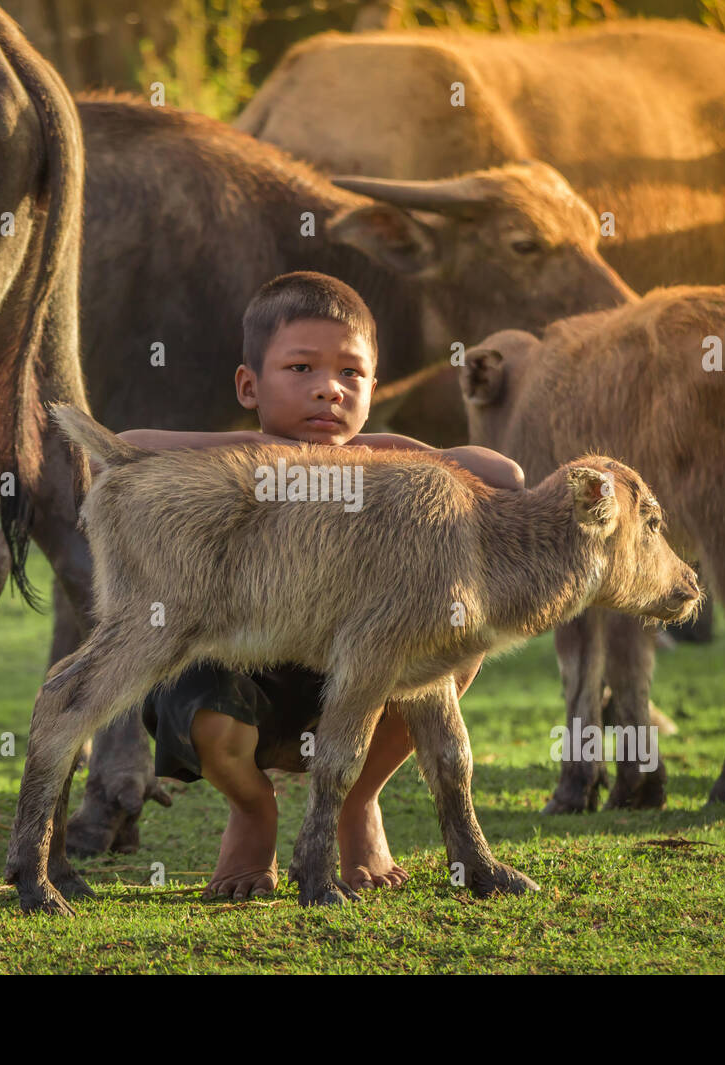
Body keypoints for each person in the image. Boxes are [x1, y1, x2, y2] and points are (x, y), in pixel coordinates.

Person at [117, 271, 525, 900]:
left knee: (454, 637)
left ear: (372, 389)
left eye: (351, 375)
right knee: (194, 695)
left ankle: (356, 803)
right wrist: (262, 450)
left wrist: (378, 451)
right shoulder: (233, 463)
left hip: (350, 679)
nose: (328, 389)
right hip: (238, 679)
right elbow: (122, 449)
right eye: (301, 368)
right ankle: (253, 815)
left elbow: (505, 474)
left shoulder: (376, 465)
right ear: (248, 386)